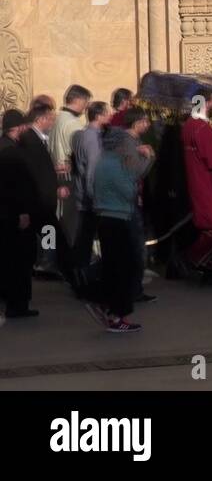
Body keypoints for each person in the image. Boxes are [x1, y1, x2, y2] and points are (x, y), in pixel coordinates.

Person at [84, 129, 143, 333]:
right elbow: (129, 191)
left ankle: (108, 305)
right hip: (117, 219)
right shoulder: (115, 164)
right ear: (119, 145)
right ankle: (117, 315)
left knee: (113, 266)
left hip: (107, 218)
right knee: (123, 269)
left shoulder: (103, 161)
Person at [180, 88, 212, 285]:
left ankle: (210, 270)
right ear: (206, 103)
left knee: (208, 228)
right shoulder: (202, 128)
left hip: (196, 180)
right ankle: (193, 260)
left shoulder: (188, 126)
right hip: (206, 182)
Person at [21, 99, 72, 279]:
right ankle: (46, 264)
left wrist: (54, 171)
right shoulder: (30, 139)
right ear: (41, 119)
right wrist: (53, 188)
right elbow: (34, 171)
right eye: (50, 119)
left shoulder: (35, 138)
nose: (52, 123)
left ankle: (46, 262)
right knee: (48, 231)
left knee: (47, 231)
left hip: (42, 198)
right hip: (40, 199)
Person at [0, 110, 39, 318]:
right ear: (18, 128)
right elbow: (14, 188)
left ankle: (13, 300)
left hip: (8, 215)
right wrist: (22, 212)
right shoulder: (10, 152)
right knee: (19, 261)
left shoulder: (7, 147)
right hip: (15, 215)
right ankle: (18, 305)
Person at [115, 108, 157, 302]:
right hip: (127, 200)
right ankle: (132, 289)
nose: (148, 125)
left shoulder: (134, 141)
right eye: (145, 121)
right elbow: (135, 173)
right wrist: (148, 158)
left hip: (132, 197)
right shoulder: (127, 142)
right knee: (135, 246)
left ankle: (133, 287)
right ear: (136, 122)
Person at [69, 101, 112, 286]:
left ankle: (80, 274)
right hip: (91, 197)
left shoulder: (81, 135)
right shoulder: (92, 138)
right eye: (107, 113)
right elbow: (92, 171)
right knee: (87, 239)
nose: (109, 116)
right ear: (99, 115)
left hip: (83, 194)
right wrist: (96, 197)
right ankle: (83, 277)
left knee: (84, 238)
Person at [50, 85, 92, 246]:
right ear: (78, 99)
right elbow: (82, 154)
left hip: (58, 178)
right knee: (73, 227)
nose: (86, 106)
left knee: (60, 224)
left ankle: (55, 259)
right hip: (71, 180)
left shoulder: (57, 119)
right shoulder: (72, 124)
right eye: (86, 102)